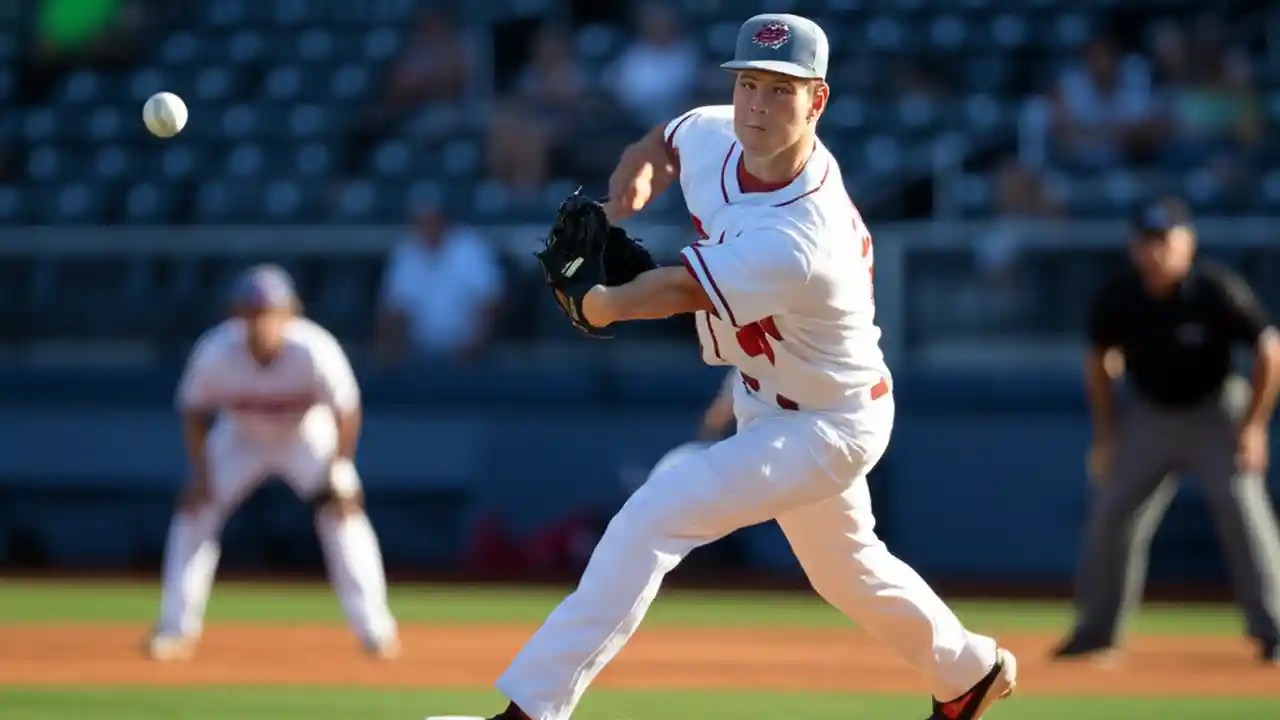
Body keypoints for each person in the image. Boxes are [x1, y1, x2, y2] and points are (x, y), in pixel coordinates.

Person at [427, 14, 1016, 720]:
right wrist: (626, 191)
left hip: (831, 420)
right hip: (768, 397)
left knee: (655, 512)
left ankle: (533, 711)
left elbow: (679, 289)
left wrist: (600, 306)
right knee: (846, 569)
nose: (758, 106)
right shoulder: (719, 131)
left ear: (817, 102)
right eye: (748, 84)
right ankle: (968, 671)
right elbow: (661, 145)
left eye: (780, 90)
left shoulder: (805, 232)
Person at [1054, 197, 1280, 665]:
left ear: (1187, 244)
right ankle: (1096, 633)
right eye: (1145, 242)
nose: (1154, 252)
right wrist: (1107, 436)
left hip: (1215, 412)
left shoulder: (1214, 289)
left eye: (1164, 241)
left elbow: (1269, 350)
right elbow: (1098, 364)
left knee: (1244, 511)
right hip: (1149, 413)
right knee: (1111, 514)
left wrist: (1255, 427)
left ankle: (1274, 630)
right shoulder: (1121, 295)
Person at [147, 264, 400, 661]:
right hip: (240, 436)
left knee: (343, 513)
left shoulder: (314, 349)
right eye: (251, 312)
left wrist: (338, 469)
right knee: (194, 512)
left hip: (304, 435)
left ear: (289, 314)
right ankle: (174, 628)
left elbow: (347, 410)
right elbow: (193, 411)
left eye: (269, 312)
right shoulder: (216, 350)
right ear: (237, 315)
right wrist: (200, 473)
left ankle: (375, 629)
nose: (260, 321)